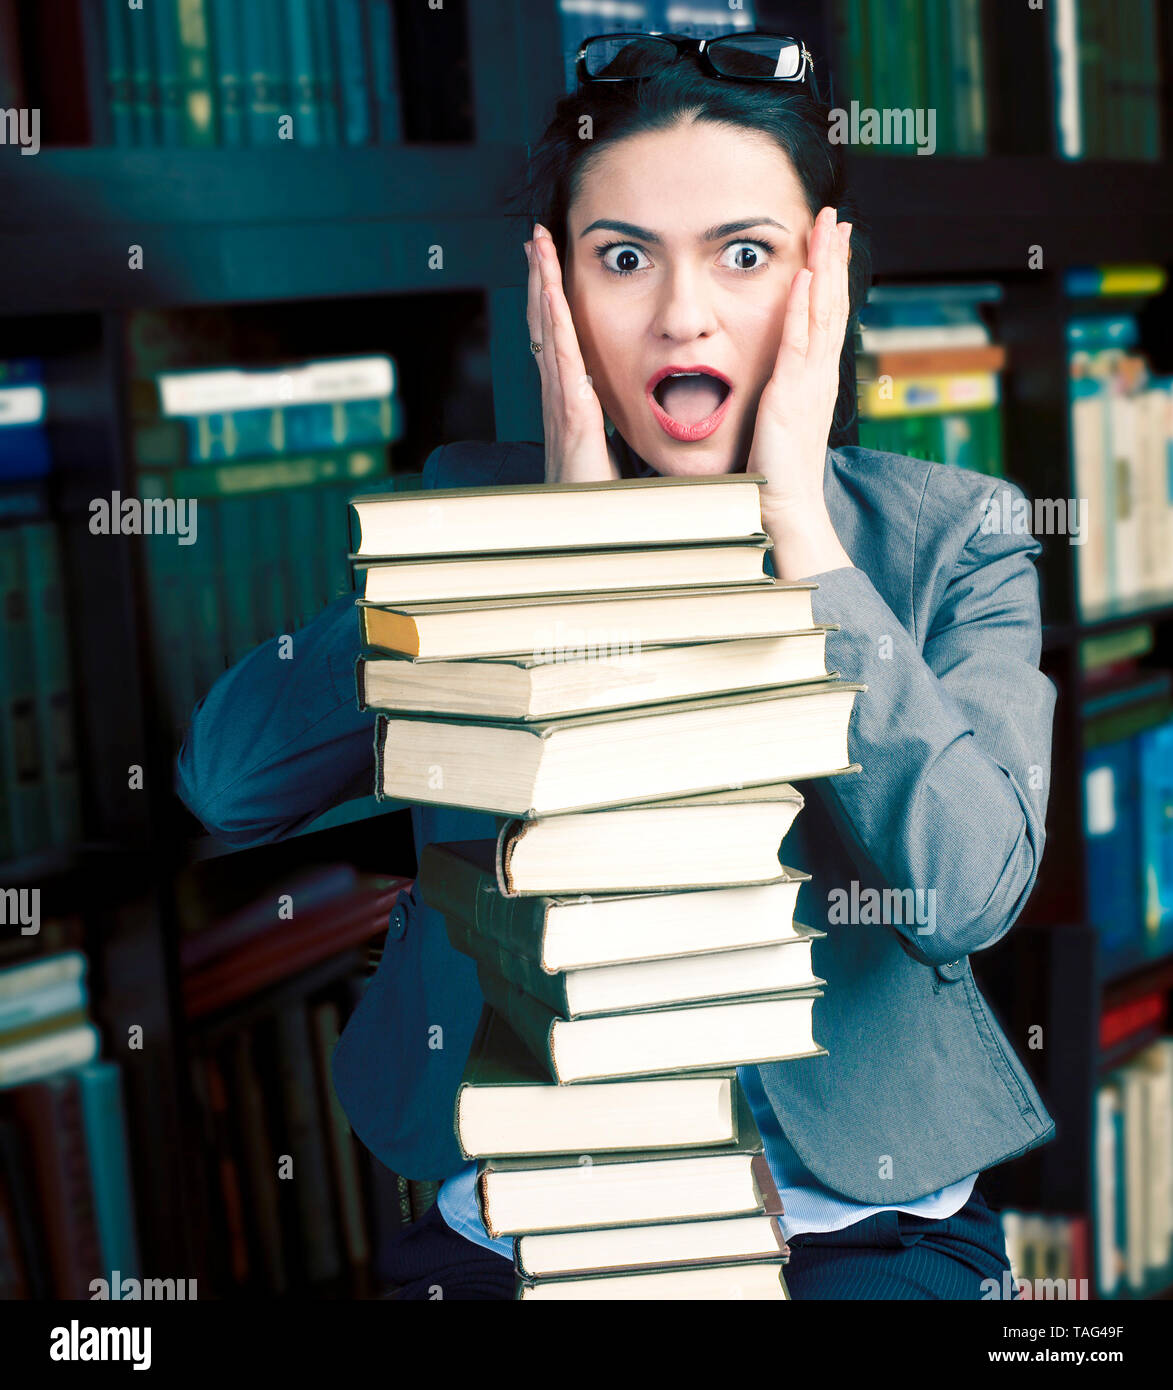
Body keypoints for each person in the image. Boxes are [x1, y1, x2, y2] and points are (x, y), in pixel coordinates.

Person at [176, 33, 1055, 1299]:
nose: (680, 313)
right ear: (556, 288)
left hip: (856, 1231)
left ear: (826, 278)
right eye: (624, 257)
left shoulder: (950, 540)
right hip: (520, 1232)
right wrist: (554, 543)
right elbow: (232, 779)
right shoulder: (472, 515)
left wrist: (801, 536)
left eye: (744, 255)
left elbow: (970, 890)